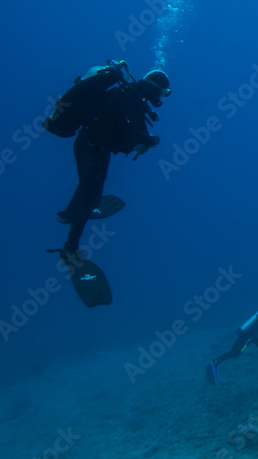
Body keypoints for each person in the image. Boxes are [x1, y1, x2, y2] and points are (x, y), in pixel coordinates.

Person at [45, 60, 170, 307]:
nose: (161, 98)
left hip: (96, 148)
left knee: (90, 185)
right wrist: (152, 140)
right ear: (155, 88)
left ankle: (68, 214)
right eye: (162, 92)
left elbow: (132, 126)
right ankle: (71, 249)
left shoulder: (131, 96)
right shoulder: (128, 97)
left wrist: (143, 139)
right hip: (90, 148)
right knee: (91, 195)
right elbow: (135, 131)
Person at [207, 306, 258, 384]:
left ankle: (215, 363)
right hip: (246, 338)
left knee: (235, 353)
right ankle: (215, 362)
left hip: (246, 337)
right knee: (234, 353)